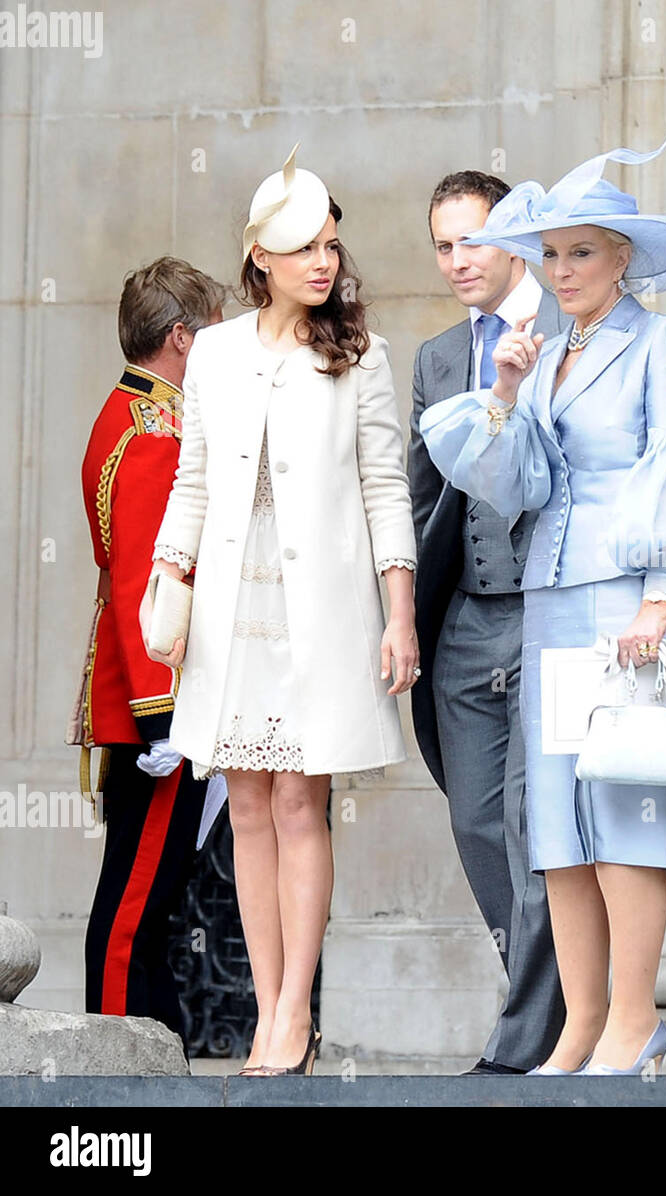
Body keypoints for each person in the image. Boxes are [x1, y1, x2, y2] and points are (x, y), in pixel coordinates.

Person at [421, 142, 666, 1076]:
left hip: (630, 601)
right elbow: (510, 490)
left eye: (581, 254)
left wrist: (662, 599)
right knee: (557, 826)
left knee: (626, 809)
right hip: (549, 599)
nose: (561, 272)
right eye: (550, 255)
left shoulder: (662, 341)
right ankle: (582, 1025)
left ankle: (636, 1023)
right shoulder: (545, 350)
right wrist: (507, 393)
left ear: (623, 257)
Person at [142, 145, 418, 1076]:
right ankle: (268, 1012)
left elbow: (387, 489)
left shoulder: (363, 353)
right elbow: (191, 480)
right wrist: (167, 576)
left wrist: (400, 612)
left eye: (331, 244)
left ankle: (295, 1013)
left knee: (304, 802)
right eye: (303, 247)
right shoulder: (214, 351)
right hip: (231, 605)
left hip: (327, 609)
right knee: (247, 807)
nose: (323, 262)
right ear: (259, 254)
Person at [408, 169, 565, 1075]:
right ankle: (551, 999)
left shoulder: (571, 328)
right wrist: (398, 614)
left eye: (472, 239)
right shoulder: (434, 357)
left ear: (515, 239)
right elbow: (420, 494)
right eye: (442, 245)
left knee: (530, 825)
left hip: (547, 606)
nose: (457, 260)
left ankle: (523, 1041)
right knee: (474, 824)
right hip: (462, 614)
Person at [73, 257, 226, 1047]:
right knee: (138, 901)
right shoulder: (149, 431)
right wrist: (165, 714)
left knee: (149, 893)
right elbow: (145, 578)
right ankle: (114, 1065)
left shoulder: (135, 416)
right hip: (154, 709)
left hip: (146, 699)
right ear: (178, 337)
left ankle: (142, 1053)